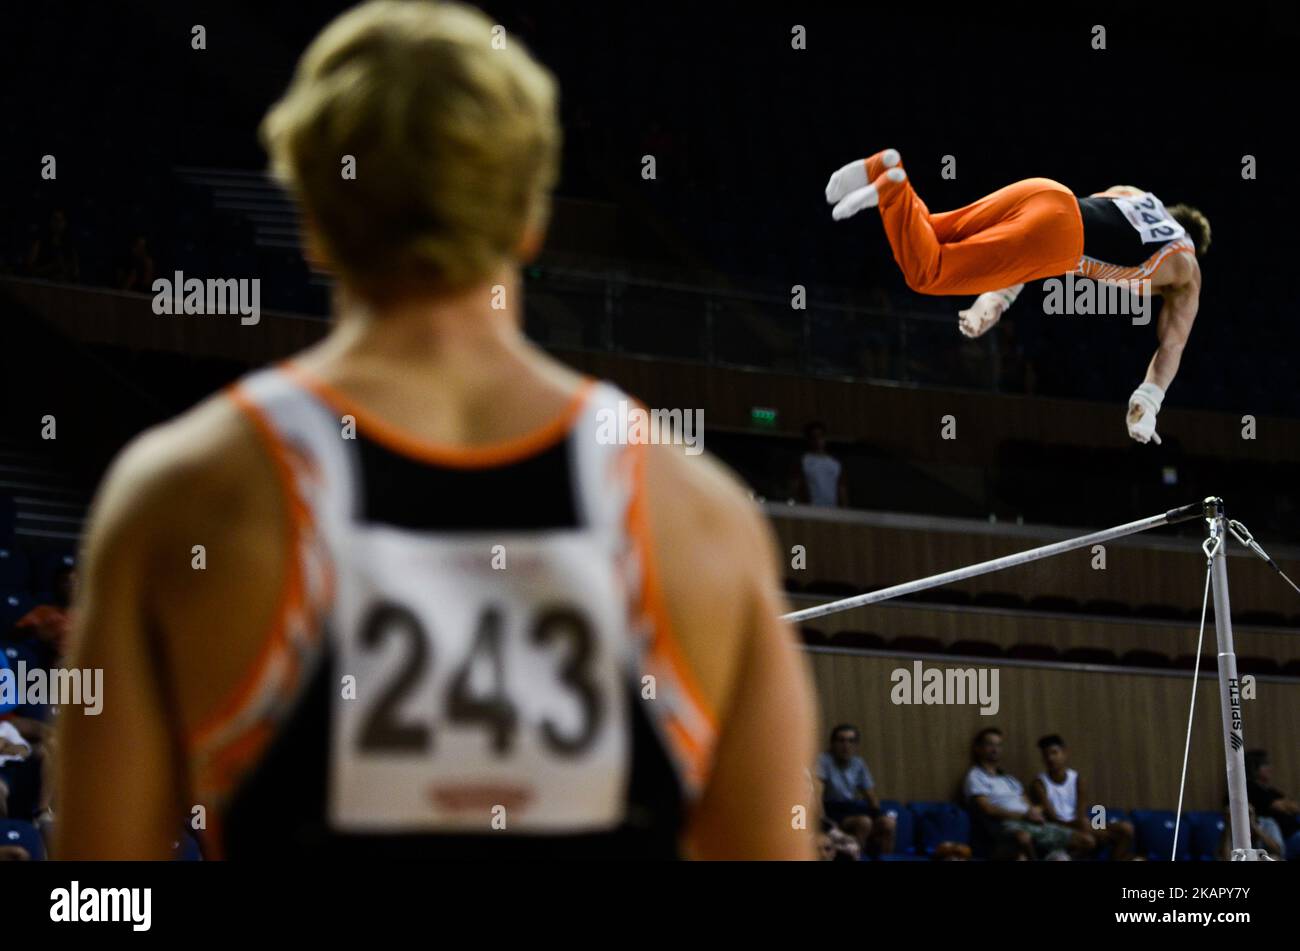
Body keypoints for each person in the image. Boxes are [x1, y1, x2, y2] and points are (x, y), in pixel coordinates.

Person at [56, 0, 816, 860]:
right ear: (532, 217)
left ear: (312, 221)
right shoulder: (700, 515)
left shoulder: (182, 496)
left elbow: (95, 891)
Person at [824, 150, 1208, 444]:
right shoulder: (1188, 271)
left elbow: (1057, 231)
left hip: (1046, 192)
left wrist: (994, 299)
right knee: (929, 273)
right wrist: (1149, 403)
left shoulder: (1137, 196)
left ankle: (883, 169)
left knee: (932, 233)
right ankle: (891, 188)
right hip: (1060, 239)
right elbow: (1171, 346)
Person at [964, 727, 1092, 860]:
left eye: (998, 745)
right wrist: (1024, 815)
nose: (995, 749)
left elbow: (1028, 804)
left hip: (1031, 823)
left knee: (1087, 841)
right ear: (978, 748)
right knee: (1023, 838)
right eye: (990, 744)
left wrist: (1036, 812)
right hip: (1007, 825)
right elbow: (987, 809)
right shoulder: (975, 776)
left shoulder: (1009, 779)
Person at [1029, 734, 1134, 860]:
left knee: (1126, 829)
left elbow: (1081, 812)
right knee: (1090, 839)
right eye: (1046, 755)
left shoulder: (1077, 778)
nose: (1050, 758)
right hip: (1058, 827)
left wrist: (1084, 825)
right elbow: (1052, 818)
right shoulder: (1039, 783)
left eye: (1054, 753)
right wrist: (1083, 827)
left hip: (1080, 824)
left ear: (1064, 753)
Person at [816, 723, 895, 855]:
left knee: (888, 823)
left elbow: (870, 795)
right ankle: (854, 856)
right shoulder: (824, 761)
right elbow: (817, 793)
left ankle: (885, 858)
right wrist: (823, 821)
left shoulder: (858, 763)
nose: (846, 745)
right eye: (841, 740)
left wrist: (879, 816)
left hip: (850, 807)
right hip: (832, 809)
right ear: (833, 744)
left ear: (856, 745)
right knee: (863, 822)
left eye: (851, 741)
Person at [798, 422, 847, 507]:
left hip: (832, 510)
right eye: (814, 437)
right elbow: (796, 487)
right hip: (810, 510)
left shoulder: (835, 464)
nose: (818, 440)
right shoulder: (804, 461)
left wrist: (844, 509)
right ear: (809, 440)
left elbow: (842, 490)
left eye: (820, 436)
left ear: (825, 438)